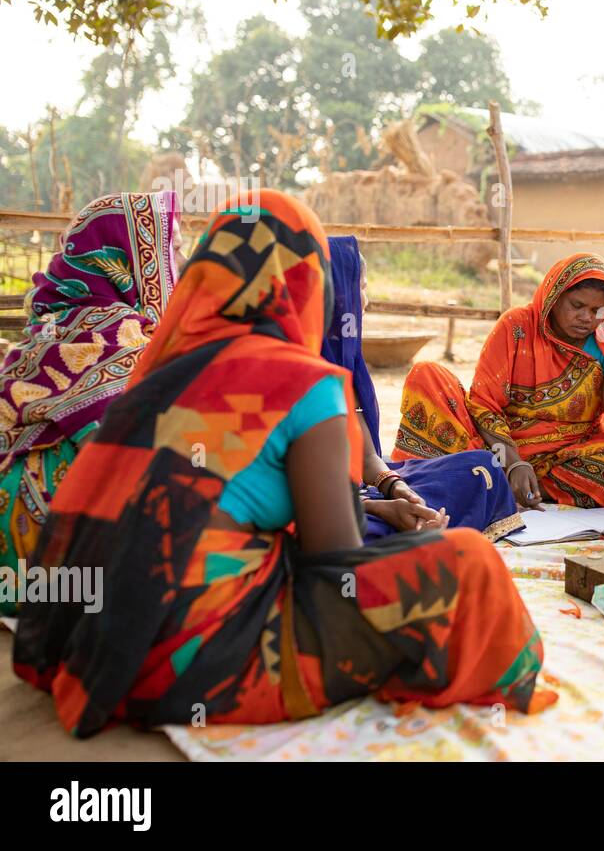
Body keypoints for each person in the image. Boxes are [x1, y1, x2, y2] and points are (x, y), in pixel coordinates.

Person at [13, 190, 552, 736]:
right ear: (306, 280)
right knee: (468, 561)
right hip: (204, 666)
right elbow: (338, 563)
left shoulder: (155, 374)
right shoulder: (306, 384)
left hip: (105, 652)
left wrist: (375, 504)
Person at [0, 191, 183, 615]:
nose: (182, 264)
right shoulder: (124, 334)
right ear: (134, 257)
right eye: (171, 248)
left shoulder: (50, 320)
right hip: (56, 541)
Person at [392, 252, 604, 514]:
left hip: (566, 455)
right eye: (577, 306)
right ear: (554, 297)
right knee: (427, 376)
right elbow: (485, 405)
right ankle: (504, 479)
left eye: (598, 310)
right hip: (498, 446)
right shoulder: (516, 326)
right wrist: (513, 463)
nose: (587, 317)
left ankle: (497, 484)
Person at [322, 235, 521, 542]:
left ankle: (411, 528)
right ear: (334, 293)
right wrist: (377, 508)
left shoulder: (343, 357)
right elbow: (296, 492)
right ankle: (404, 537)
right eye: (360, 287)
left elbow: (365, 458)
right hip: (323, 508)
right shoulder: (291, 372)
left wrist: (399, 489)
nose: (366, 300)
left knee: (482, 468)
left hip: (364, 490)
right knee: (345, 534)